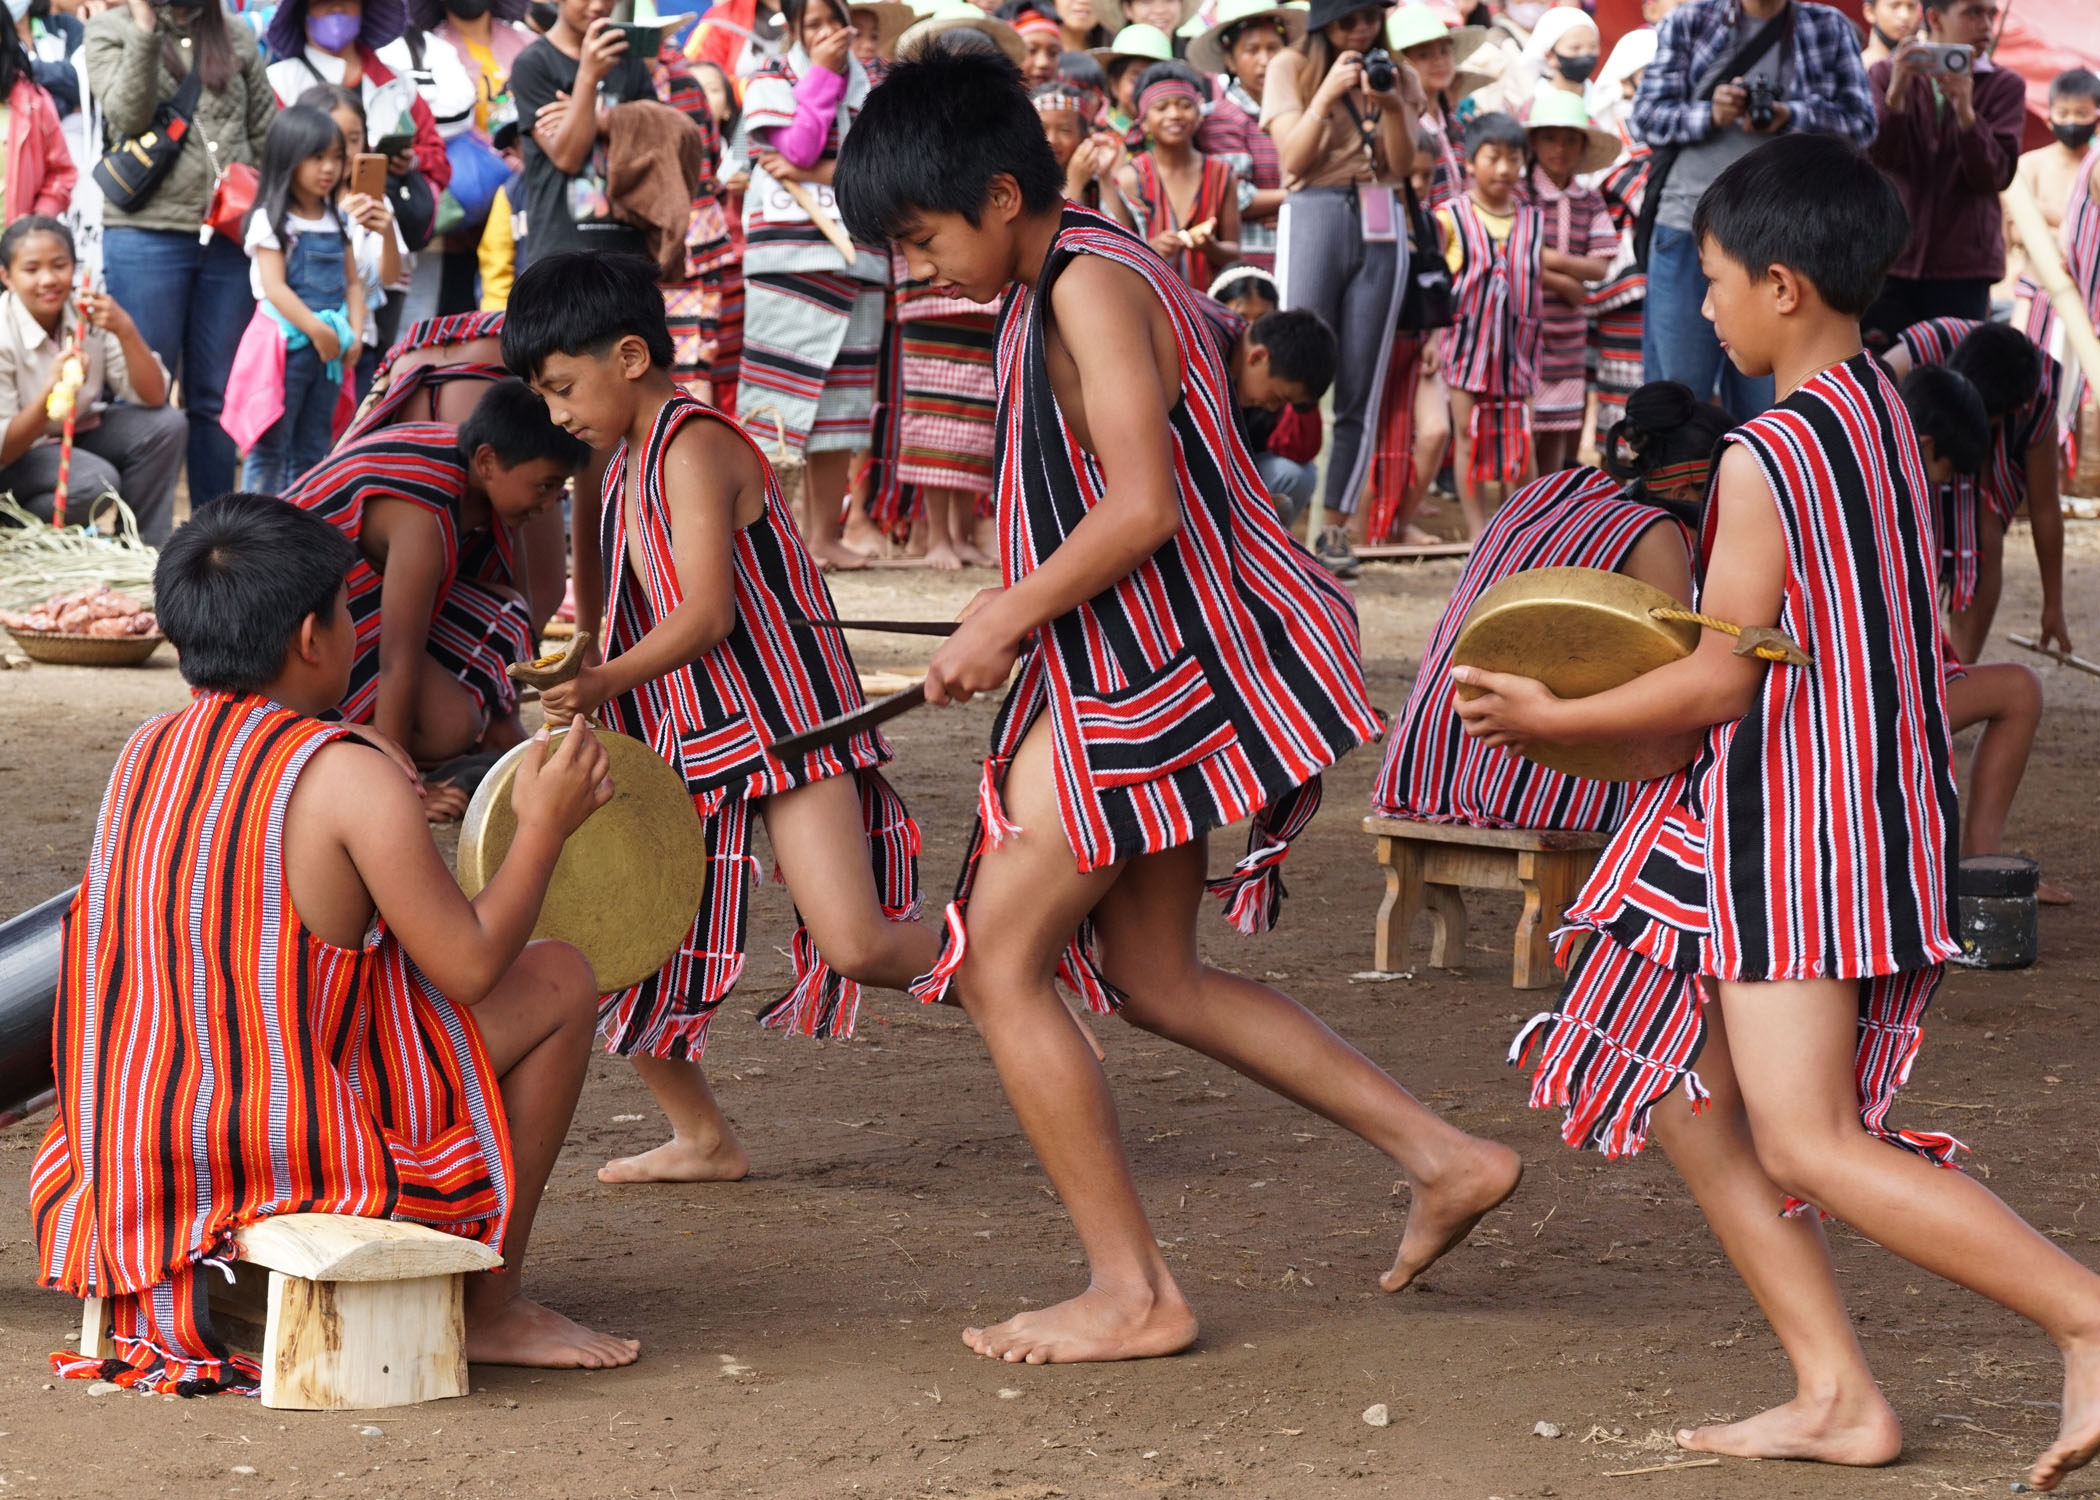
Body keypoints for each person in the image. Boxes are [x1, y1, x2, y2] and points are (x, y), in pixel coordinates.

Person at [836, 48, 1523, 1365]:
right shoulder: (1075, 270)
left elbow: (1143, 504)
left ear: (994, 196)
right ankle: (1444, 1156)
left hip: (1147, 676)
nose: (919, 268)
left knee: (993, 966)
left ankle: (1134, 1291)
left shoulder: (1088, 282)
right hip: (1146, 665)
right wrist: (1019, 614)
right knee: (1153, 976)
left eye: (922, 240)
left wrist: (1008, 612)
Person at [1452, 133, 2100, 1495]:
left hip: (1793, 827)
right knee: (1673, 1073)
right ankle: (1835, 1391)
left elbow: (1715, 676)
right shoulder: (1883, 404)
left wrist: (1545, 722)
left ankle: (2086, 1319)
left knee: (1806, 1138)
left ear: (1787, 286)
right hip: (1823, 808)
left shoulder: (1769, 454)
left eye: (1718, 279)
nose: (1708, 306)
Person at [31, 494, 639, 1394]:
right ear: (313, 638)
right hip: (283, 1154)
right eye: (347, 610)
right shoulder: (345, 777)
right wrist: (541, 826)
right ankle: (493, 1307)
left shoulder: (147, 749)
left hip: (136, 1154)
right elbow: (470, 966)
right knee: (557, 977)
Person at [502, 250, 938, 1183]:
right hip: (689, 733)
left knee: (857, 944)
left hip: (785, 725)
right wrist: (592, 656)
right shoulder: (619, 461)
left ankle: (1017, 973)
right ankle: (703, 1138)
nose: (558, 415)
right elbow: (631, 590)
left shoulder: (695, 444)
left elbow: (708, 614)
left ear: (628, 356)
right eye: (545, 398)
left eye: (563, 387)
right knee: (628, 935)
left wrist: (608, 676)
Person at [1373, 382, 1717, 833]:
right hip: (1531, 784)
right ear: (1692, 489)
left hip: (1423, 771)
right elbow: (1677, 680)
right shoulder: (1655, 529)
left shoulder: (1549, 491)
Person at [282, 381, 586, 800]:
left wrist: (512, 730)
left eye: (561, 489)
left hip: (345, 602)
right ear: (487, 461)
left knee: (509, 612)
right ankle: (367, 762)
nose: (552, 503)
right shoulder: (426, 513)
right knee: (450, 728)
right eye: (545, 486)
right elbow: (397, 661)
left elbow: (515, 611)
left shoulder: (478, 476)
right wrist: (399, 791)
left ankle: (483, 742)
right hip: (279, 630)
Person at [1631, 0, 1876, 420]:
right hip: (1686, 224)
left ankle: (1755, 482)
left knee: (1768, 403)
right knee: (1677, 398)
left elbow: (1862, 124)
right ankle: (1675, 485)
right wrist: (1710, 113)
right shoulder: (1691, 21)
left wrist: (1790, 115)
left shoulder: (1827, 26)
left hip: (1780, 236)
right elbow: (1647, 116)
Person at [83, 0, 277, 503]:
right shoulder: (110, 29)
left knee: (215, 397)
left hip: (229, 237)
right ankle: (142, 537)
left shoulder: (234, 33)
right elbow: (127, 117)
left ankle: (214, 541)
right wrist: (145, 28)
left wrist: (253, 206)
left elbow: (265, 134)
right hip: (145, 234)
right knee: (148, 390)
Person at [1898, 364, 2071, 906]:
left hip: (1874, 697)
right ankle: (1969, 864)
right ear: (1925, 445)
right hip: (1856, 711)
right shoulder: (1891, 496)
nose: (1941, 486)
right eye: (1942, 473)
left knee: (2019, 687)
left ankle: (1977, 865)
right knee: (2021, 690)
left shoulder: (1889, 483)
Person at [1261, 0, 1420, 576]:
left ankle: (1333, 527)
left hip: (1382, 213)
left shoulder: (1400, 72)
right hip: (1314, 208)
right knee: (1293, 365)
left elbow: (1403, 167)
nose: (1362, 30)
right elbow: (1292, 164)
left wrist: (1396, 106)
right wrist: (1327, 94)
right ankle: (1273, 516)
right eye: (1350, 18)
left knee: (1362, 378)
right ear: (1325, 20)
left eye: (1372, 17)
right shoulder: (1289, 66)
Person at [732, 0, 891, 569]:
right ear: (796, 30)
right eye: (813, 25)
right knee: (776, 403)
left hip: (859, 255)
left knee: (843, 408)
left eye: (834, 22)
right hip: (788, 259)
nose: (828, 34)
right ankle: (761, 542)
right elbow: (795, 147)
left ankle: (822, 537)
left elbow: (882, 165)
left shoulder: (877, 83)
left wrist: (814, 170)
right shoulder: (769, 80)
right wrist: (822, 76)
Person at [1881, 317, 2071, 662]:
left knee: (1983, 531)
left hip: (1975, 469)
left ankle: (1957, 677)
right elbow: (1865, 394)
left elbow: (2045, 507)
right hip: (1917, 451)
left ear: (2013, 411)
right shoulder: (1927, 346)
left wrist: (2053, 605)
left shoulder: (2036, 396)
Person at [0, 217, 184, 542]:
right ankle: (16, 528)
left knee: (166, 425)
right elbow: (3, 450)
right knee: (94, 481)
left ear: (74, 266)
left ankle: (143, 547)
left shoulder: (87, 313)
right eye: (31, 270)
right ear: (7, 277)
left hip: (79, 432)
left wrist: (126, 330)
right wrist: (51, 392)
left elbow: (155, 396)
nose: (48, 279)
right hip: (20, 455)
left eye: (59, 265)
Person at [1861, 0, 2024, 346]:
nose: (1986, 25)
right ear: (1934, 17)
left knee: (1953, 386)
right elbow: (1875, 161)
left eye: (1991, 14)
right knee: (1883, 377)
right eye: (1973, 12)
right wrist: (1896, 95)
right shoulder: (1884, 73)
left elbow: (1995, 177)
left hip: (1964, 268)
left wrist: (1967, 114)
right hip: (1889, 261)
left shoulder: (2004, 84)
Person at [233, 105, 369, 491]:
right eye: (316, 157)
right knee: (271, 444)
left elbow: (353, 283)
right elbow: (275, 288)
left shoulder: (337, 218)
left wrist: (355, 334)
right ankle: (254, 538)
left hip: (327, 354)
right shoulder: (272, 221)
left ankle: (299, 533)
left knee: (313, 446)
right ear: (287, 156)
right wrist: (316, 329)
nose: (328, 168)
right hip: (285, 350)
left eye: (336, 157)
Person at [1436, 112, 1543, 536]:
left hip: (1520, 347)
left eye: (1514, 159)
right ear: (1470, 161)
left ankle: (1521, 527)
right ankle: (1480, 531)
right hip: (1467, 347)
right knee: (1468, 435)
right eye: (1493, 157)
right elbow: (1434, 283)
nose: (1504, 169)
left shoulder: (1532, 220)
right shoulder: (1450, 217)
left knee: (1521, 437)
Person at [512, 0, 660, 268]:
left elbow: (657, 141)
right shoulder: (533, 64)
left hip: (628, 250)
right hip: (560, 253)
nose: (598, 5)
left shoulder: (630, 63)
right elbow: (568, 157)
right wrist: (588, 77)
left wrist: (599, 120)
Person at [1521, 92, 1614, 475]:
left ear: (1582, 146)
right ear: (1534, 142)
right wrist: (1564, 279)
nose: (1559, 148)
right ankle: (1522, 504)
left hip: (1568, 332)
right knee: (1525, 422)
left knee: (1559, 423)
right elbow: (1509, 252)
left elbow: (1600, 267)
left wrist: (1545, 260)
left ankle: (1548, 503)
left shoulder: (1589, 201)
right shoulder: (1519, 194)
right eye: (1550, 137)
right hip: (1525, 326)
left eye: (1570, 139)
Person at [298, 82, 409, 394]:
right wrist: (340, 221)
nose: (345, 152)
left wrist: (386, 232)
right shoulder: (298, 205)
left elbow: (388, 276)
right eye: (331, 140)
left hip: (360, 344)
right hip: (305, 341)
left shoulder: (375, 202)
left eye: (354, 139)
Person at [1200, 273, 1338, 523]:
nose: (1273, 406)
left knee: (1297, 475)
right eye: (1277, 397)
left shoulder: (1260, 365)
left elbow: (1300, 449)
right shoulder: (1200, 346)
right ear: (1258, 357)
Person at [1189, 0, 1299, 274]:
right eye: (1252, 50)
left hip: (1299, 249)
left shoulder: (1301, 111)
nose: (1265, 60)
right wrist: (1297, 200)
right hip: (1251, 264)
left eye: (1274, 48)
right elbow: (1237, 197)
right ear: (1230, 61)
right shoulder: (1221, 117)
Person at [1116, 63, 1240, 290]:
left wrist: (1211, 248)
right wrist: (1149, 248)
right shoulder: (1130, 179)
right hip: (1151, 304)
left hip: (1209, 308)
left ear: (1199, 114)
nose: (1174, 115)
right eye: (1161, 107)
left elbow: (1234, 251)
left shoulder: (1222, 174)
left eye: (1184, 106)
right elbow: (1116, 256)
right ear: (1143, 122)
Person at [1037, 81, 1132, 221]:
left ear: (1084, 136)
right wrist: (1074, 182)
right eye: (1042, 130)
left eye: (1065, 130)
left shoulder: (1093, 183)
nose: (1052, 140)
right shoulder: (1021, 183)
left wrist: (1104, 175)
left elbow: (1123, 234)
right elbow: (1050, 237)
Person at [1857, 0, 1919, 68]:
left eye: (1911, 6)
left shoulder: (1925, 68)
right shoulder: (1859, 68)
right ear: (1870, 11)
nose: (1905, 16)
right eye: (1894, 6)